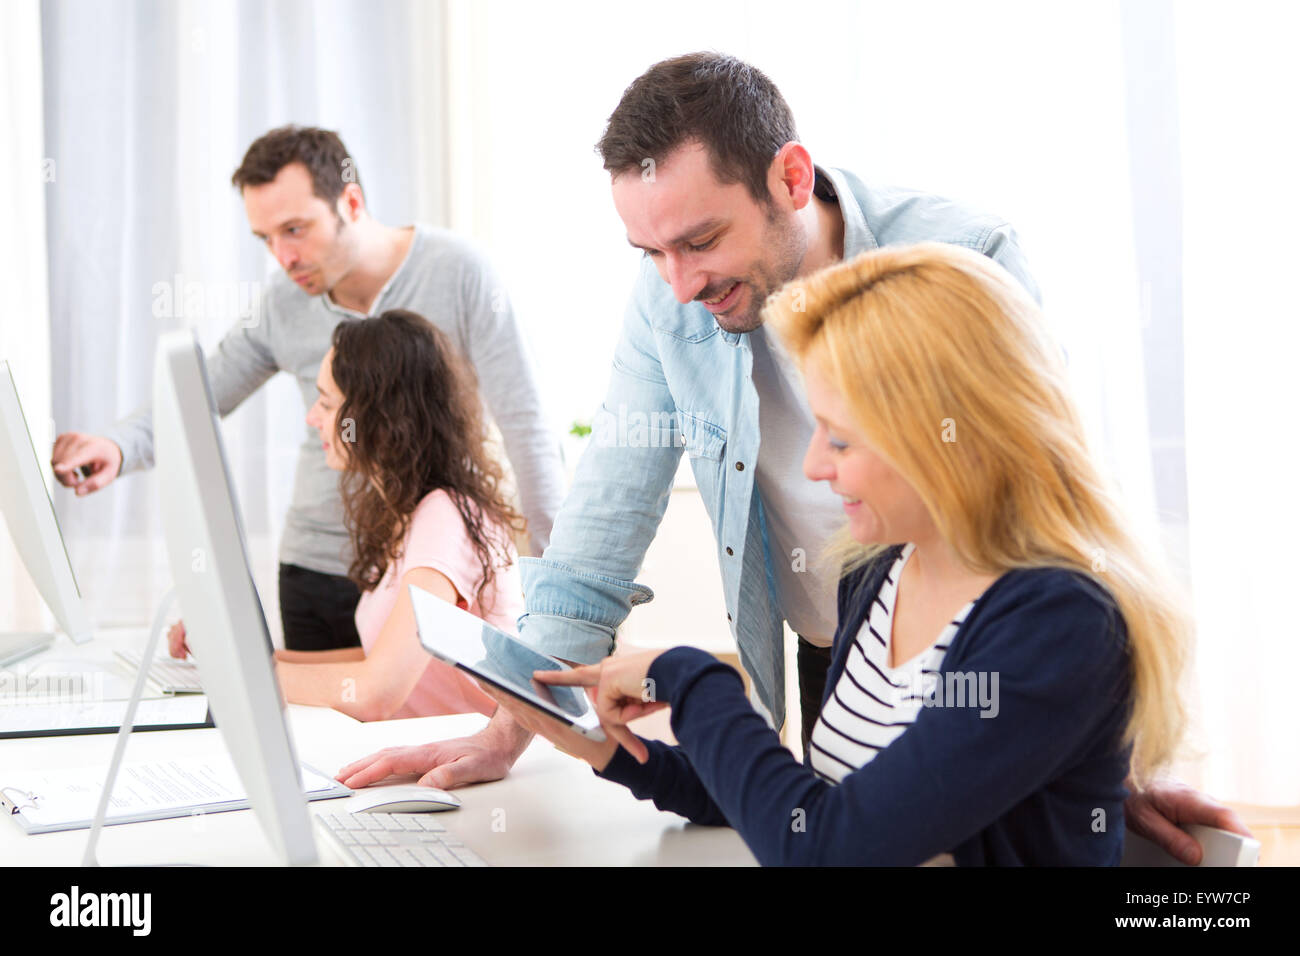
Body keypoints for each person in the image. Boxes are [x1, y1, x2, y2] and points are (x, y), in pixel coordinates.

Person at [335, 53, 1249, 864]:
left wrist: (1062, 747)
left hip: (1005, 643)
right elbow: (599, 543)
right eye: (650, 253)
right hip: (870, 644)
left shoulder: (962, 261)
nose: (678, 286)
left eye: (699, 241)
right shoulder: (870, 581)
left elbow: (1044, 494)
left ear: (790, 177)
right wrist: (544, 728)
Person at [482, 242, 1188, 865]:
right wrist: (602, 749)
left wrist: (691, 681)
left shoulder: (1057, 621)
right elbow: (810, 803)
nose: (815, 465)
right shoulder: (878, 572)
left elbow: (833, 847)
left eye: (841, 439)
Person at [49, 125, 564, 652]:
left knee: (422, 727)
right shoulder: (283, 303)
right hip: (317, 571)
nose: (283, 256)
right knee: (315, 728)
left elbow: (527, 427)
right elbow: (200, 393)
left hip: (431, 570)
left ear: (351, 201)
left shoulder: (460, 273)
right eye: (266, 238)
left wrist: (556, 594)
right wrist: (117, 445)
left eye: (295, 229)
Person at [171, 310, 517, 721]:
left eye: (326, 402)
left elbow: (375, 693)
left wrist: (244, 673)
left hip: (470, 769)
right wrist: (239, 654)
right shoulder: (414, 513)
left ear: (378, 419)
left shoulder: (445, 519)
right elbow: (379, 659)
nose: (312, 417)